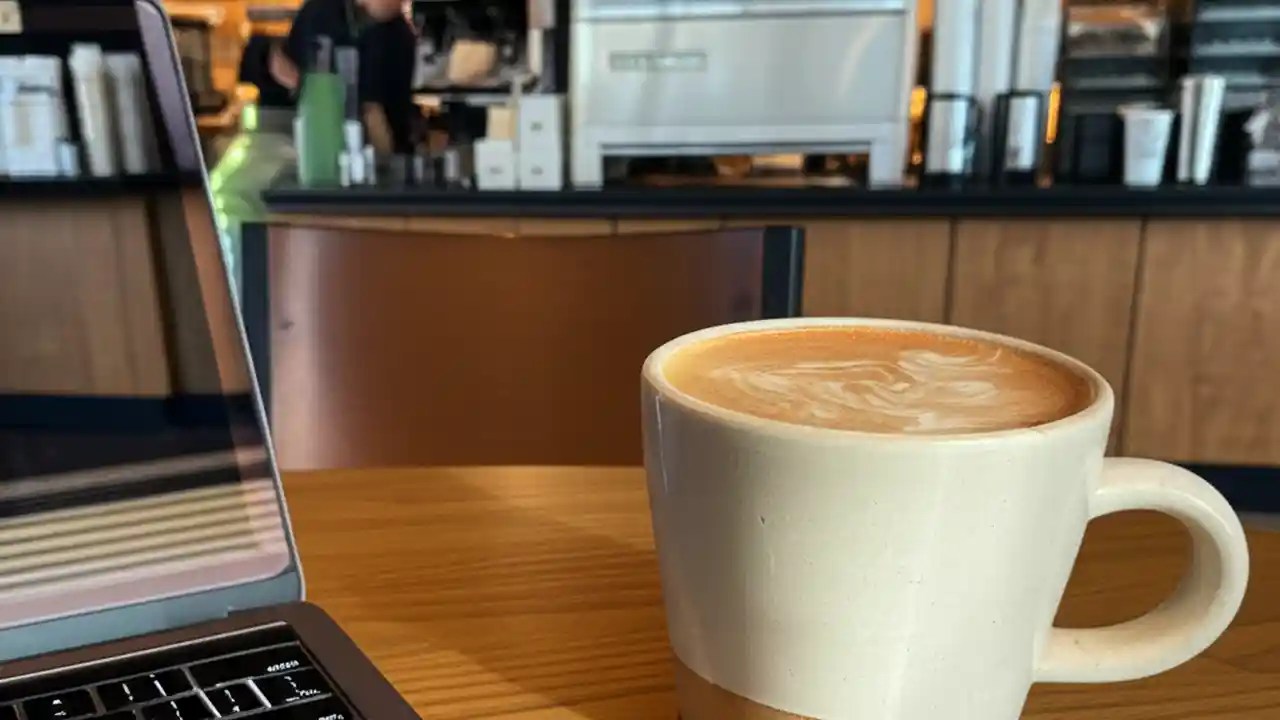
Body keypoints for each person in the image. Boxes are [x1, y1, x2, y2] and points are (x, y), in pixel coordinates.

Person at [269, 0, 418, 154]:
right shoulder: (321, 14)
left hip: (375, 149)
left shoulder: (400, 35)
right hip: (315, 138)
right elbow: (280, 64)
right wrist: (302, 85)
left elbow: (377, 110)